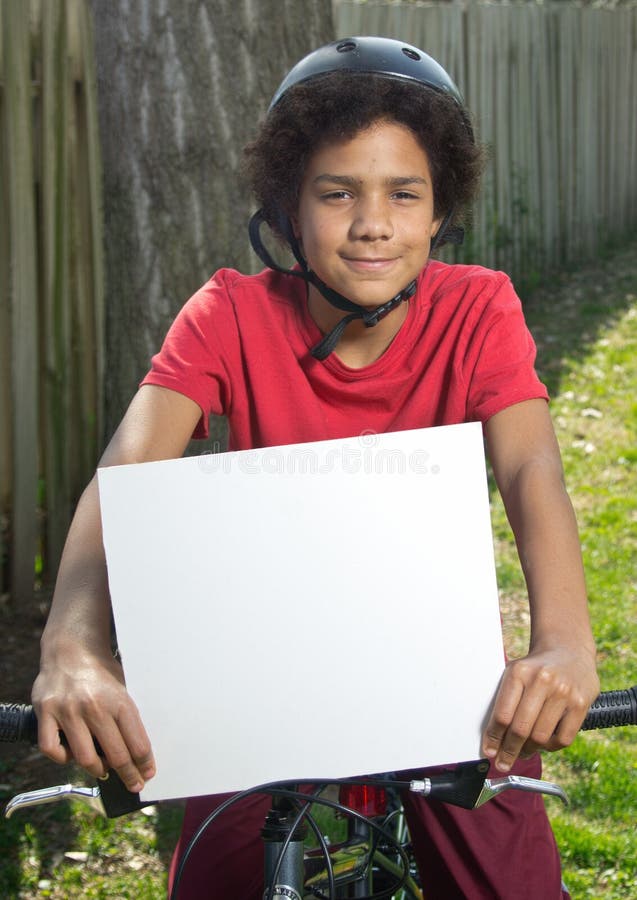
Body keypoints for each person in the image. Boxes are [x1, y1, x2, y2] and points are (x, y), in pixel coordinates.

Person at [32, 37, 599, 899]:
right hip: (254, 653)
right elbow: (125, 475)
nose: (372, 222)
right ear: (289, 209)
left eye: (403, 195)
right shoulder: (226, 313)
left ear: (439, 209)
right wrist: (72, 646)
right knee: (215, 878)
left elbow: (530, 473)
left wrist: (562, 642)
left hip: (430, 655)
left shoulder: (479, 308)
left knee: (507, 874)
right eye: (337, 193)